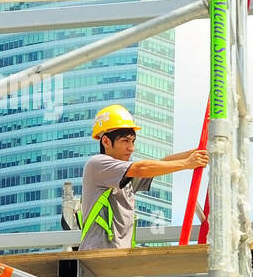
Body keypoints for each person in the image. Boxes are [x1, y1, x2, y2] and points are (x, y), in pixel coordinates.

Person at [79, 104, 209, 250]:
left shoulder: (123, 176)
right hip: (98, 256)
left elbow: (159, 165)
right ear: (106, 142)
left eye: (132, 141)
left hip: (118, 257)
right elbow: (141, 168)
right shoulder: (97, 164)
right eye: (125, 141)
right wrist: (187, 163)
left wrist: (197, 152)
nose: (131, 148)